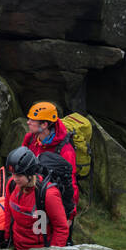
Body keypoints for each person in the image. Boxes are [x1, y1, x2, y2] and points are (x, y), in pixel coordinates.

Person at [21, 102, 79, 241]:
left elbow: (71, 184)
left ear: (44, 125)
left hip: (54, 200)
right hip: (34, 196)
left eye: (32, 120)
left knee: (52, 237)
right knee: (37, 237)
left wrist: (69, 216)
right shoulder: (30, 139)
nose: (28, 122)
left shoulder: (65, 150)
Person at [3, 147, 70, 249]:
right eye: (13, 174)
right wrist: (7, 237)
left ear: (30, 173)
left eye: (19, 175)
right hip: (17, 245)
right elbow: (8, 212)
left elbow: (61, 229)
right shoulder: (11, 185)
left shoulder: (48, 195)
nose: (15, 178)